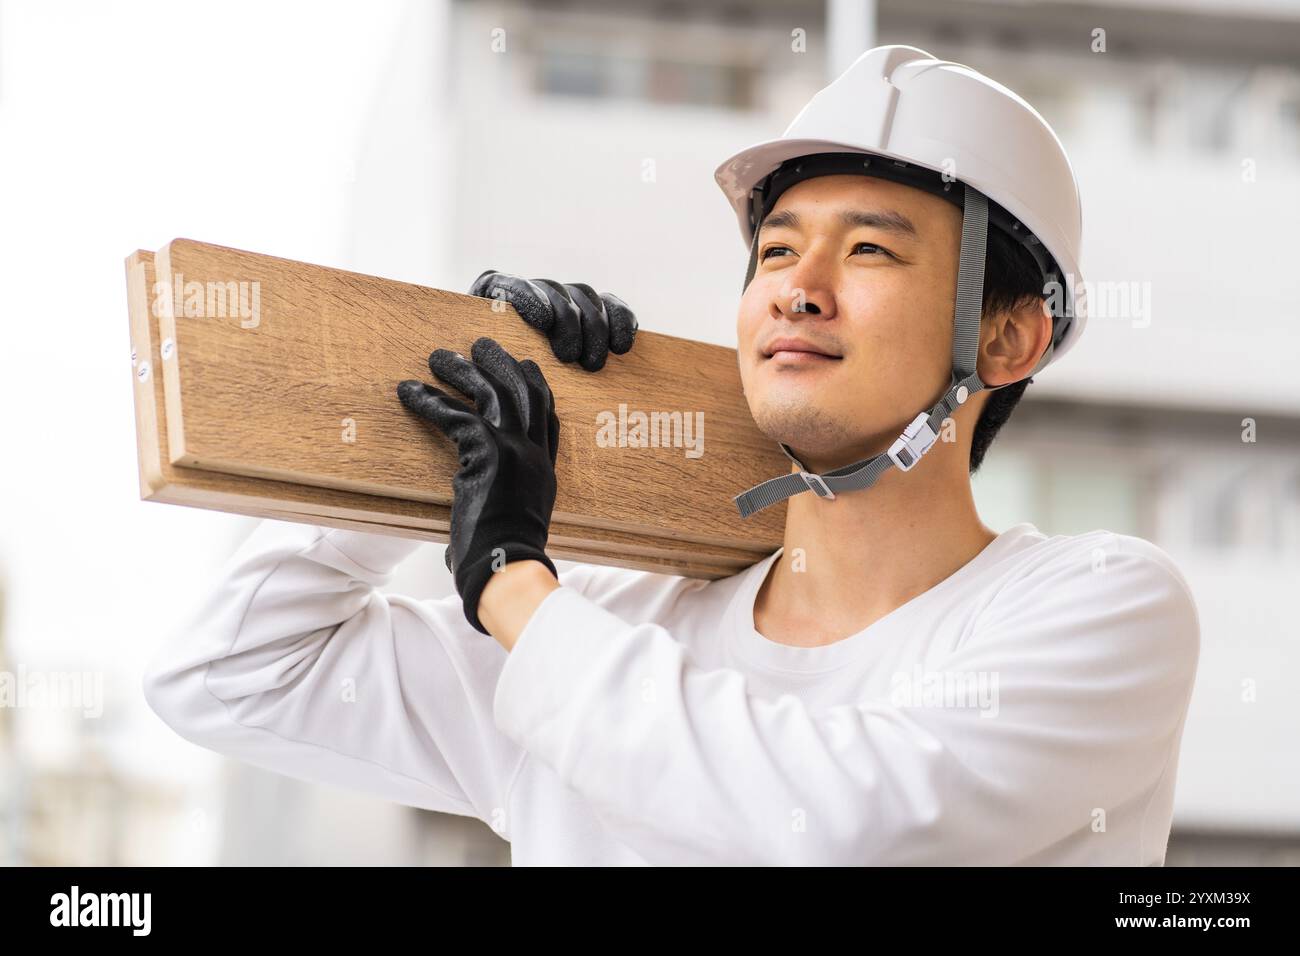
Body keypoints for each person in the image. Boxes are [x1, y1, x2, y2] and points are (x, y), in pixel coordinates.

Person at [142, 46, 1199, 865]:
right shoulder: (611, 624)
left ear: (1008, 338)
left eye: (869, 247)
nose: (799, 284)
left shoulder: (1095, 606)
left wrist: (512, 581)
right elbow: (227, 675)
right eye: (777, 248)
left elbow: (845, 824)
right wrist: (453, 422)